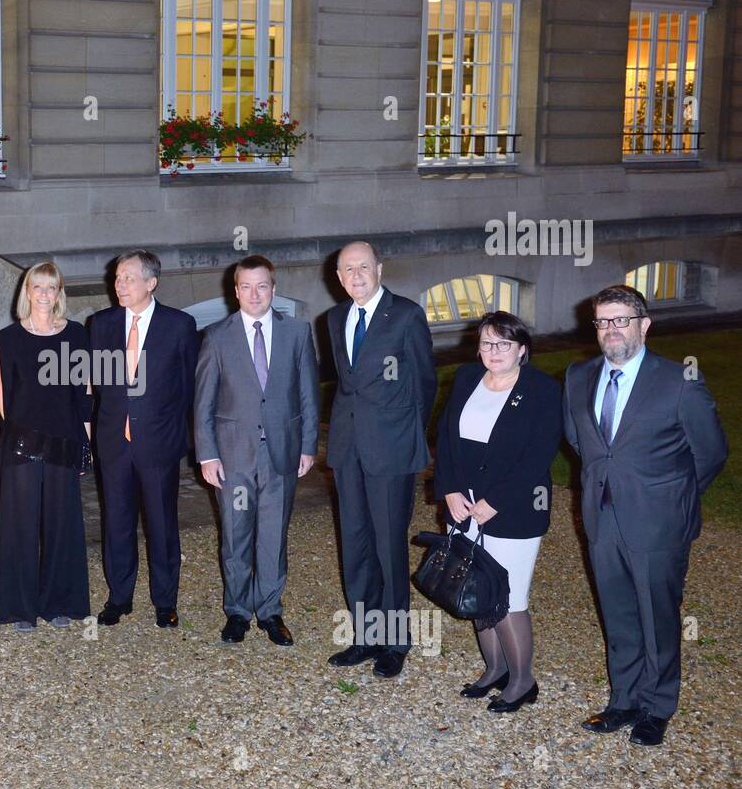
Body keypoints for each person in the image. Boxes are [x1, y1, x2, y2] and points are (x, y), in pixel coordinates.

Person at [564, 285, 726, 746]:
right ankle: (624, 700)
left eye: (621, 320)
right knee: (617, 612)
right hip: (601, 516)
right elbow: (579, 442)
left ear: (644, 324)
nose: (611, 330)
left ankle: (657, 707)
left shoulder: (679, 381)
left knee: (657, 615)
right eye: (602, 321)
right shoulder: (578, 377)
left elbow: (710, 453)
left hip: (658, 521)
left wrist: (671, 498)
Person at [433, 311, 562, 712]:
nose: (494, 351)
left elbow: (538, 456)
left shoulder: (542, 389)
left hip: (514, 508)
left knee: (509, 597)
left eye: (504, 344)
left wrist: (495, 502)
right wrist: (449, 490)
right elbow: (446, 436)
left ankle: (523, 681)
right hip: (464, 504)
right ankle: (495, 669)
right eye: (487, 343)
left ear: (522, 349)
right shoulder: (467, 378)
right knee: (478, 588)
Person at [325, 241, 437, 678]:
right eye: (348, 269)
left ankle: (395, 642)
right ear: (338, 276)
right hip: (347, 449)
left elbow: (424, 385)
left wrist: (404, 438)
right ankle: (365, 636)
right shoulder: (334, 318)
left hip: (390, 450)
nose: (356, 276)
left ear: (379, 269)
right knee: (355, 546)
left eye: (364, 267)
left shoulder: (406, 315)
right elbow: (346, 384)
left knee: (390, 549)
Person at [194, 255, 319, 646]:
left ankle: (269, 611)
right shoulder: (216, 336)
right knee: (235, 536)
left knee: (272, 536)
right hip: (233, 457)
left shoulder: (297, 332)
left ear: (273, 289)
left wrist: (308, 446)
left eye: (261, 286)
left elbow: (308, 395)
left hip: (281, 454)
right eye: (246, 287)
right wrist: (207, 454)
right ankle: (236, 612)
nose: (254, 294)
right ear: (235, 292)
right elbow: (203, 403)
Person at [88, 250, 199, 629]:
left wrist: (179, 437)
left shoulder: (179, 325)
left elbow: (188, 388)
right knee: (116, 521)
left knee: (162, 524)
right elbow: (96, 384)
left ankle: (165, 600)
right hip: (114, 443)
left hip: (159, 444)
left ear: (151, 283)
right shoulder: (100, 323)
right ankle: (119, 597)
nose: (119, 284)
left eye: (128, 278)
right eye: (117, 277)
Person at [0, 262, 92, 631]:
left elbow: (83, 392)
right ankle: (21, 609)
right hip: (21, 443)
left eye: (51, 288)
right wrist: (16, 437)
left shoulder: (77, 335)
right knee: (19, 526)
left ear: (59, 293)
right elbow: (4, 394)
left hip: (64, 440)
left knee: (62, 525)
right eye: (38, 287)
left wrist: (87, 441)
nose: (45, 294)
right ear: (27, 291)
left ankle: (60, 603)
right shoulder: (9, 337)